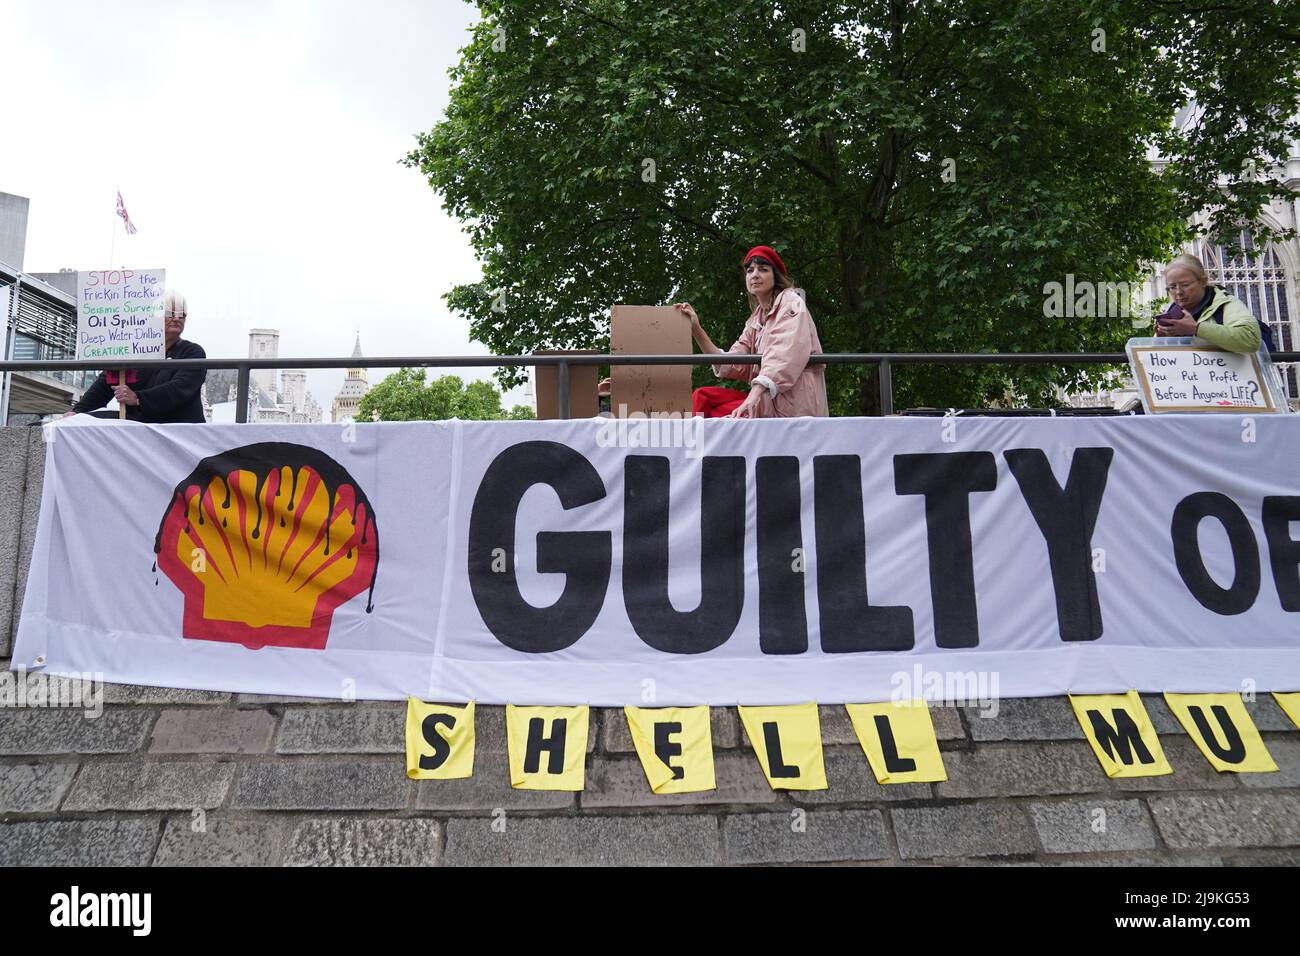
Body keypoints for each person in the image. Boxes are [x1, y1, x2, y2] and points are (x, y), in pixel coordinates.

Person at [679, 246, 829, 418]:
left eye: (763, 270)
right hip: (767, 401)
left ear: (776, 276)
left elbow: (782, 355)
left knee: (718, 418)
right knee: (702, 398)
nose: (755, 275)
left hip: (792, 404)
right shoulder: (756, 319)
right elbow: (732, 362)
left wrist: (752, 398)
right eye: (750, 271)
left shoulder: (792, 301)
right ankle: (684, 440)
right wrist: (696, 329)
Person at [68, 288, 208, 422]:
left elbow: (179, 388)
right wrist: (78, 412)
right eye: (170, 314)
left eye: (182, 315)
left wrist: (138, 398)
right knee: (93, 420)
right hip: (140, 427)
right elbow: (105, 385)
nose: (177, 318)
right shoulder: (134, 352)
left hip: (179, 428)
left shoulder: (193, 352)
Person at [1155, 254, 1263, 353]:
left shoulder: (1226, 304)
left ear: (1203, 281)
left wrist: (1196, 329)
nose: (1178, 292)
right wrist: (1161, 339)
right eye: (1172, 287)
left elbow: (1251, 340)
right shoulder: (1171, 314)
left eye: (1185, 285)